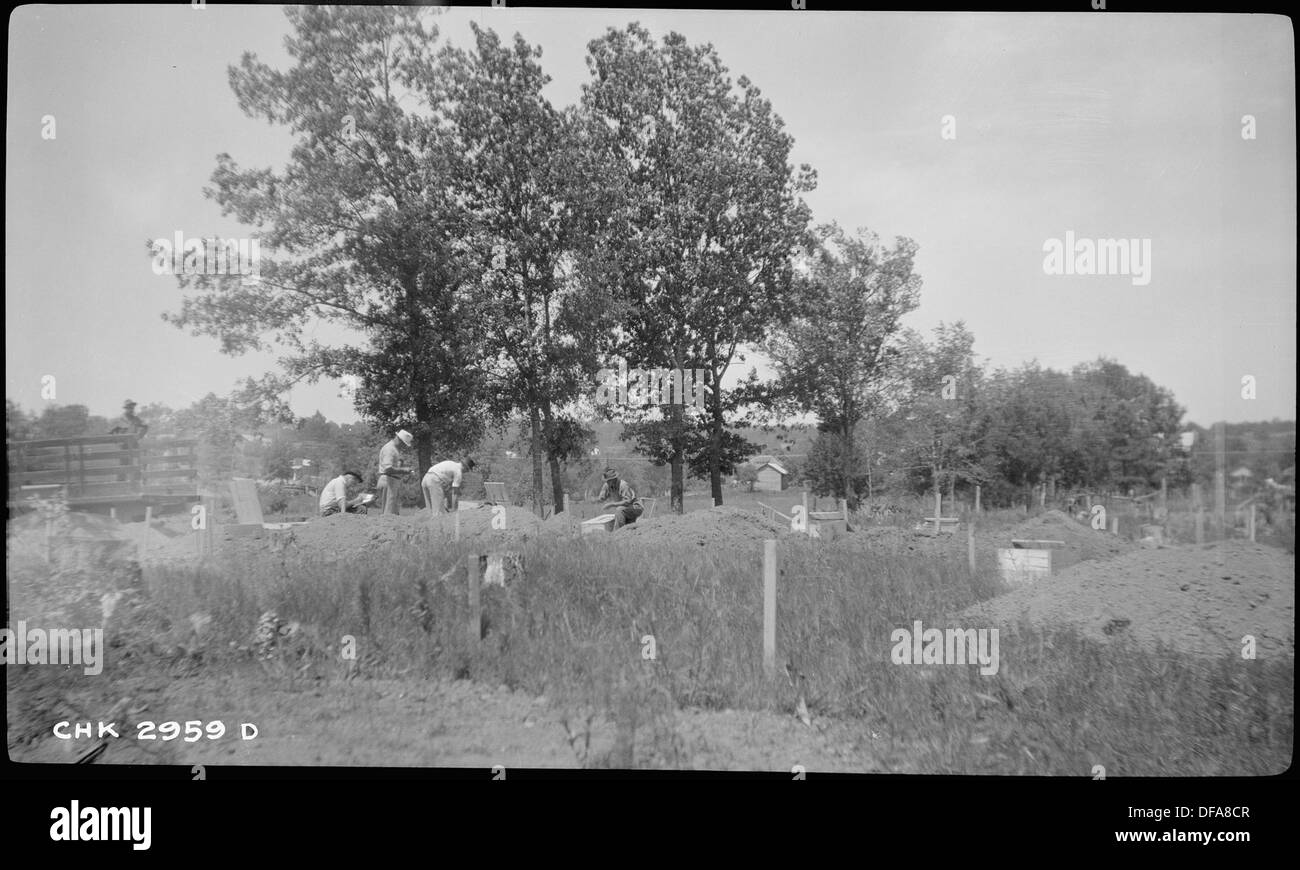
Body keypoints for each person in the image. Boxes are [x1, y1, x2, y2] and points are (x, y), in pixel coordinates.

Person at [376, 430, 414, 515]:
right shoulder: (390, 449)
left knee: (393, 513)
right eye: (404, 444)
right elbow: (388, 468)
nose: (404, 447)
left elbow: (394, 467)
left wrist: (402, 470)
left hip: (392, 480)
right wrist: (404, 470)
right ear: (399, 440)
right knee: (388, 514)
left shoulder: (394, 449)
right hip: (388, 480)